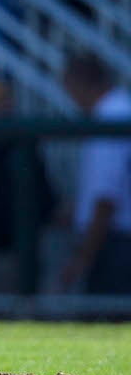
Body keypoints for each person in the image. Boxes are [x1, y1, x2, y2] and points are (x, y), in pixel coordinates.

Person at [57, 52, 131, 295]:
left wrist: (82, 258)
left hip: (118, 245)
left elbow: (106, 198)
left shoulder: (112, 116)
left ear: (77, 83)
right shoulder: (119, 108)